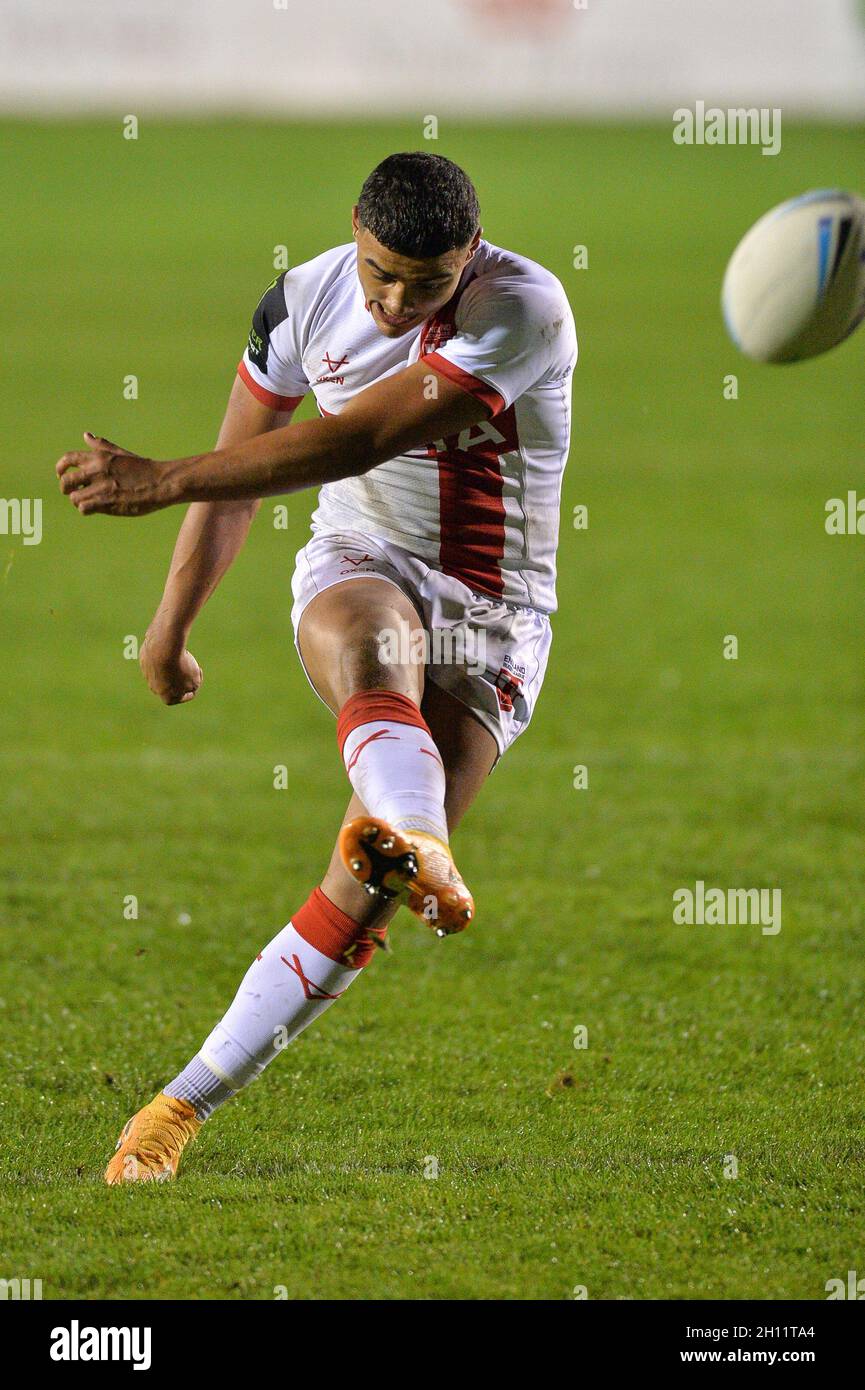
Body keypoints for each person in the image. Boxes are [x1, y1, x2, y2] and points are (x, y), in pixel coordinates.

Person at [56, 151, 578, 1183]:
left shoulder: (524, 307)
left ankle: (180, 1099)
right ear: (353, 230)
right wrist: (168, 625)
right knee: (369, 644)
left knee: (358, 891)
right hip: (362, 557)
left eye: (422, 284)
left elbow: (360, 438)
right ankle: (417, 834)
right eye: (379, 270)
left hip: (494, 610)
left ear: (469, 256)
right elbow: (245, 473)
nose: (391, 300)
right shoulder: (302, 301)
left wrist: (157, 478)